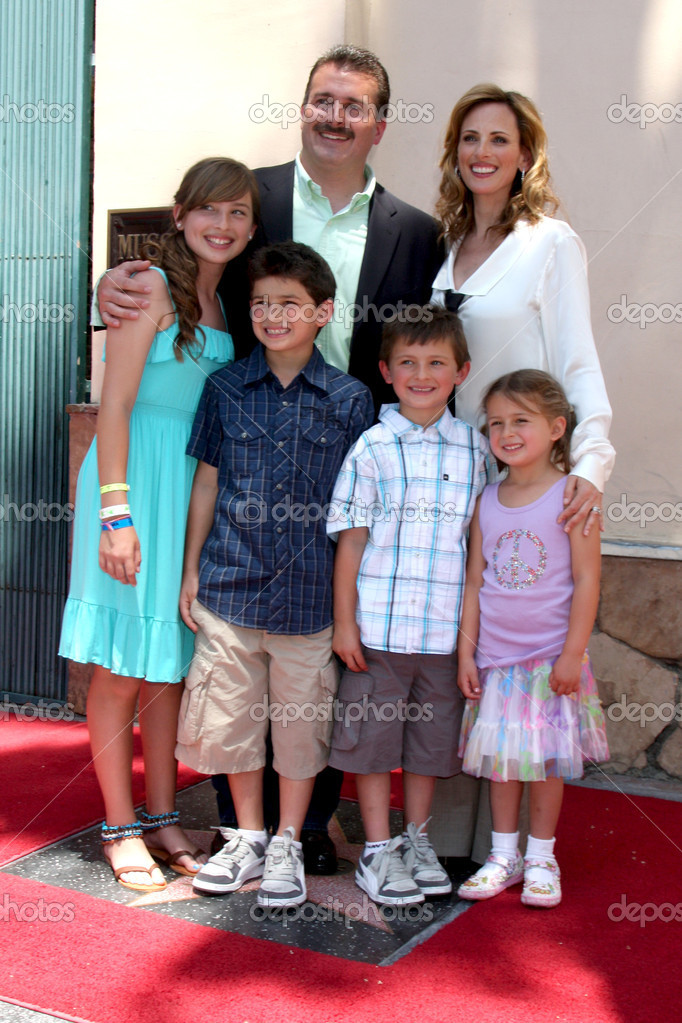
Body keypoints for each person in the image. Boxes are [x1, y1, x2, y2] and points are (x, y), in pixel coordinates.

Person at [95, 45, 444, 875]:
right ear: (304, 107)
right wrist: (114, 280)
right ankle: (245, 825)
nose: (334, 115)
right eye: (322, 99)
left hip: (344, 445)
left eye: (353, 105)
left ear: (378, 124)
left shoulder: (417, 231)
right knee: (231, 649)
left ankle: (304, 823)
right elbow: (186, 268)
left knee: (314, 650)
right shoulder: (256, 196)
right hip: (236, 434)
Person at [59, 157, 260, 892]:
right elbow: (112, 406)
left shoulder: (228, 302)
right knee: (118, 665)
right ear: (180, 214)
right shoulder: (148, 287)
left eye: (238, 213)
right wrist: (116, 512)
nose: (223, 224)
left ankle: (163, 813)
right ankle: (118, 823)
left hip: (188, 490)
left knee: (167, 664)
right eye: (209, 209)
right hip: (133, 482)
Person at [429, 84, 616, 863]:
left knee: (519, 661)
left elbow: (577, 361)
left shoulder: (550, 242)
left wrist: (592, 464)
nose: (483, 153)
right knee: (464, 646)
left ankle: (516, 848)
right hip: (452, 476)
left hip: (524, 474)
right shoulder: (441, 247)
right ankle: (453, 835)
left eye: (500, 139)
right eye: (471, 138)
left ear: (525, 154)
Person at [175, 241, 374, 908]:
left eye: (288, 303)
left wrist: (350, 604)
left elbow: (356, 514)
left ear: (322, 311)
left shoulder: (350, 399)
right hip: (229, 586)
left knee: (299, 725)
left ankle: (290, 837)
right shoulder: (225, 387)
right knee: (232, 720)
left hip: (311, 598)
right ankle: (247, 836)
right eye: (260, 303)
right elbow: (206, 482)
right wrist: (190, 571)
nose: (271, 314)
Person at [326, 306, 488, 905]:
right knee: (371, 744)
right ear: (386, 372)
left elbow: (475, 553)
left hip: (444, 638)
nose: (422, 374)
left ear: (461, 371)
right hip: (380, 631)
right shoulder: (371, 448)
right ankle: (375, 849)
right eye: (408, 363)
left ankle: (415, 840)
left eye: (437, 363)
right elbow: (351, 539)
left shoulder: (475, 451)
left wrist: (470, 640)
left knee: (427, 746)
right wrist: (346, 623)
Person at [456, 370, 609, 908]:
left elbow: (588, 580)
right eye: (496, 422)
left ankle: (542, 855)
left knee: (545, 763)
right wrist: (467, 652)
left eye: (521, 420)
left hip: (550, 661)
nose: (507, 431)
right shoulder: (487, 500)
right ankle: (504, 855)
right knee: (503, 761)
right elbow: (475, 581)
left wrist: (571, 654)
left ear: (557, 427)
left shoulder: (573, 498)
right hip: (497, 661)